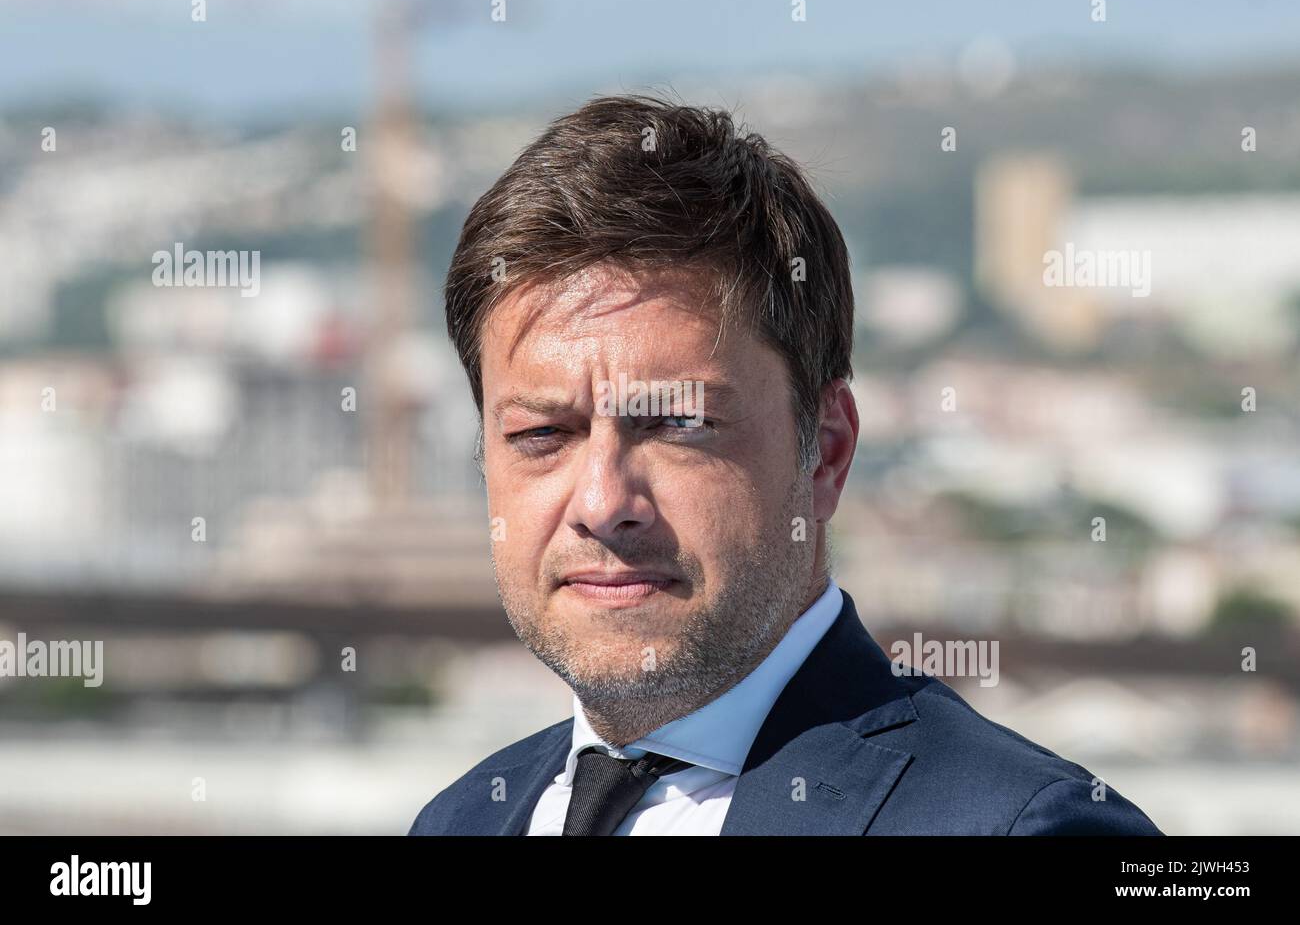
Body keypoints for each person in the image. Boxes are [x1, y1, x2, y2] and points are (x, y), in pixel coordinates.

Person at [409, 94, 1162, 836]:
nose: (603, 503)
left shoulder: (1021, 827)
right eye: (542, 433)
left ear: (826, 451)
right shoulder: (459, 819)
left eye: (678, 425)